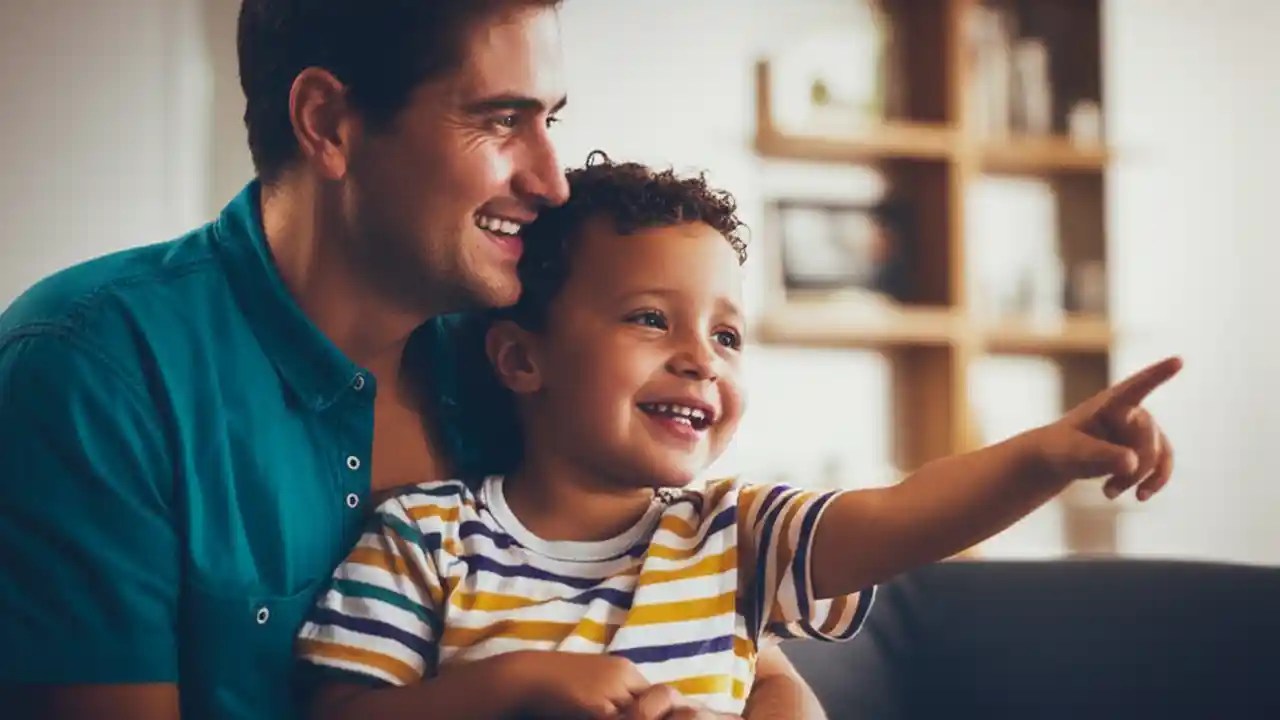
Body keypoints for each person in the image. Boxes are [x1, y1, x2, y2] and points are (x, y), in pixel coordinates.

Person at [0, 3, 821, 720]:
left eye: (550, 122)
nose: (550, 180)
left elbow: (745, 656)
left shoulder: (527, 359)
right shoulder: (90, 372)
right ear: (327, 122)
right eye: (501, 119)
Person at [295, 155, 1181, 719]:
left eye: (726, 336)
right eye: (650, 319)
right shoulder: (427, 535)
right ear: (523, 361)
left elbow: (902, 515)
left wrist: (1043, 456)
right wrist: (514, 688)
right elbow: (337, 713)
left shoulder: (735, 536)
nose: (700, 361)